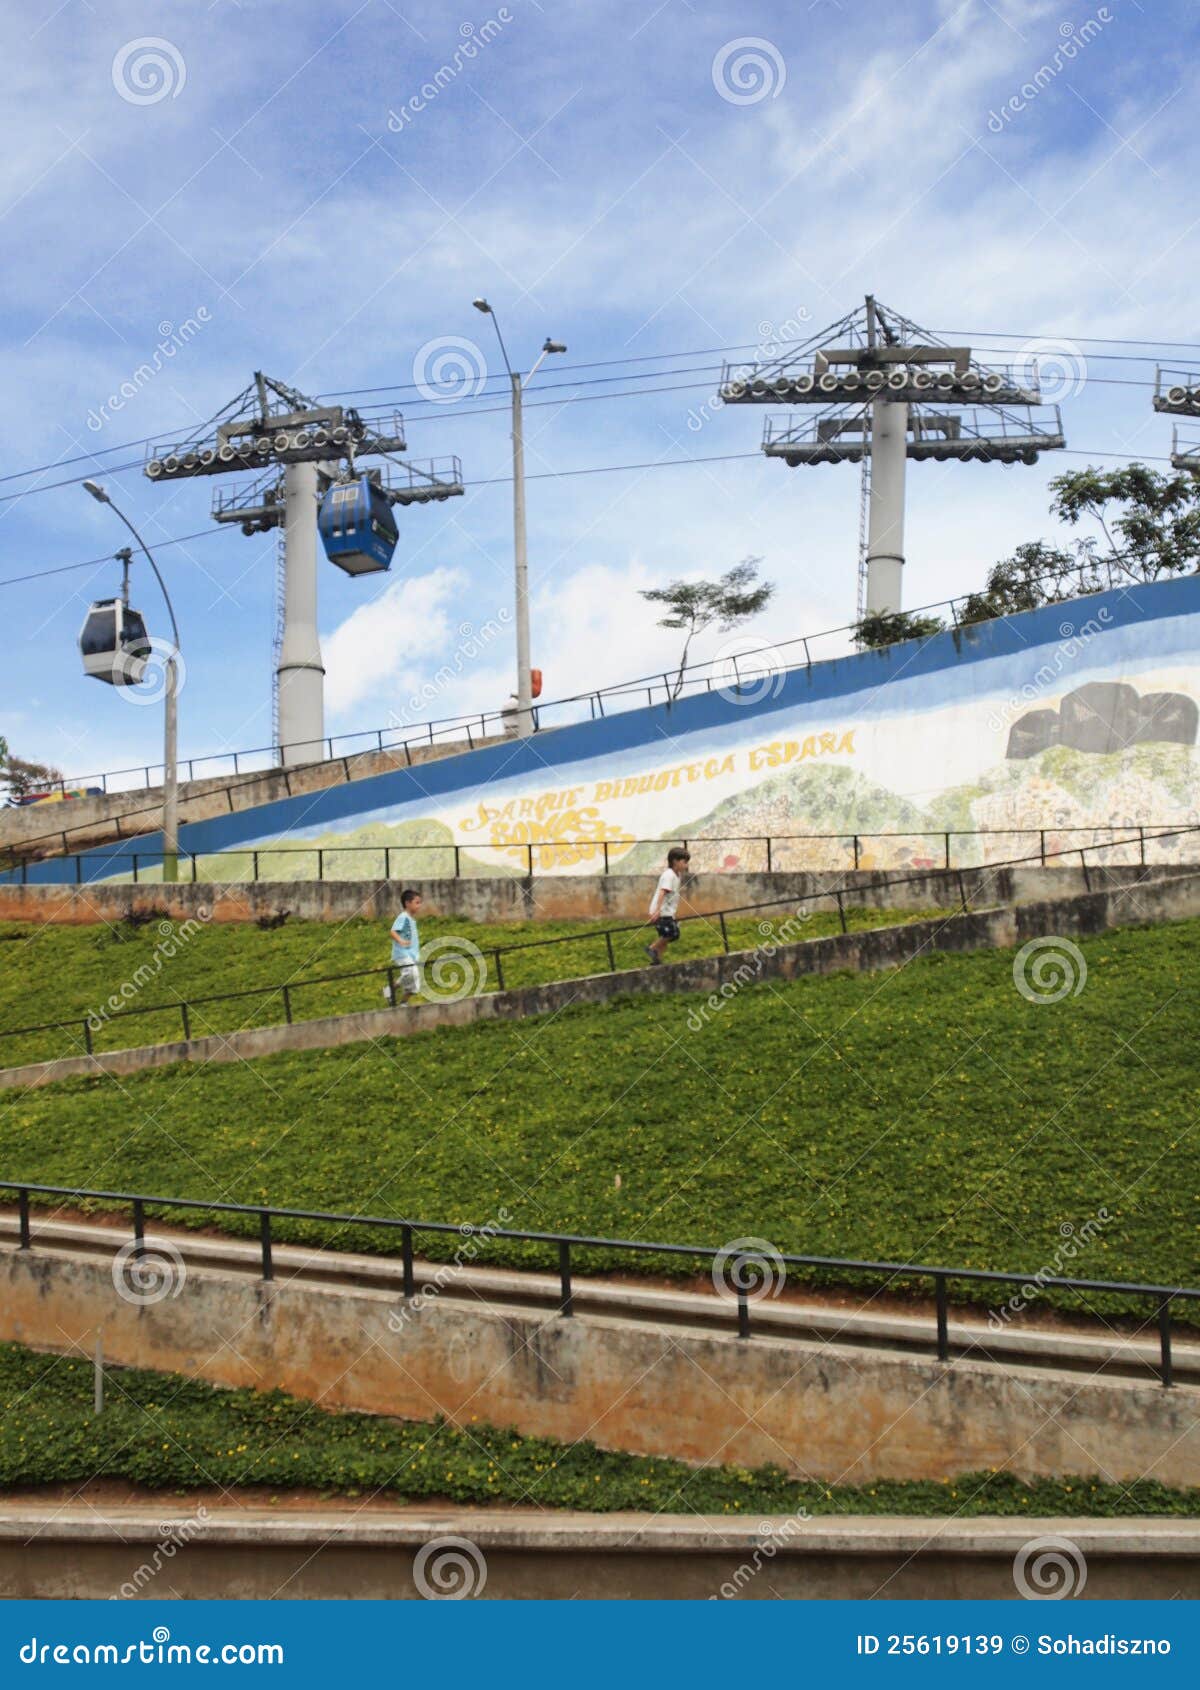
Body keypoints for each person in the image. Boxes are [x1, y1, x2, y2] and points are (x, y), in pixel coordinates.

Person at [646, 847, 690, 965]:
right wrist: (657, 910)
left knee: (668, 935)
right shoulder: (668, 875)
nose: (686, 865)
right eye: (684, 862)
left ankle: (657, 960)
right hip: (662, 911)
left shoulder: (677, 875)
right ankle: (652, 948)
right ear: (675, 861)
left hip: (668, 911)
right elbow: (662, 892)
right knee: (672, 933)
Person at [387, 889, 423, 1003]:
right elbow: (392, 932)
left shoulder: (412, 920)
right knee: (411, 973)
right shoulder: (403, 917)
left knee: (415, 984)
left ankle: (403, 1003)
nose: (419, 906)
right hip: (402, 954)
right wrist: (401, 941)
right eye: (417, 902)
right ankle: (389, 989)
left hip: (411, 956)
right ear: (407, 903)